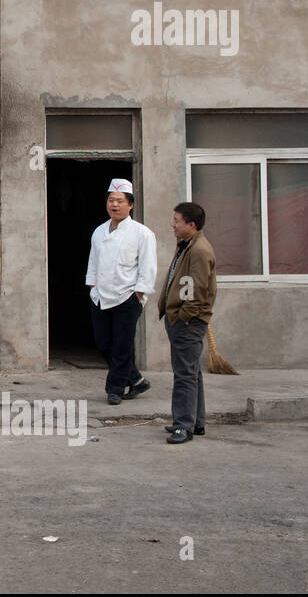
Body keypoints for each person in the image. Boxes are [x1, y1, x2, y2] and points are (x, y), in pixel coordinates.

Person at [85, 179, 158, 405]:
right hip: (101, 296)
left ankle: (115, 389)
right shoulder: (99, 232)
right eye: (111, 200)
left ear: (130, 205)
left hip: (127, 296)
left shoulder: (142, 233)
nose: (114, 205)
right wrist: (92, 287)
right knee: (103, 342)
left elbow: (148, 268)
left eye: (119, 201)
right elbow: (93, 263)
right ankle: (135, 379)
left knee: (122, 345)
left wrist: (138, 295)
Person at [157, 201, 217, 444]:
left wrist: (184, 317)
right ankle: (196, 422)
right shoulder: (186, 245)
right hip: (181, 319)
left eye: (177, 221)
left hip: (188, 322)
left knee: (184, 375)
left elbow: (197, 290)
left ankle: (184, 425)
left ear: (191, 225)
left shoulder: (199, 251)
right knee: (192, 372)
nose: (172, 224)